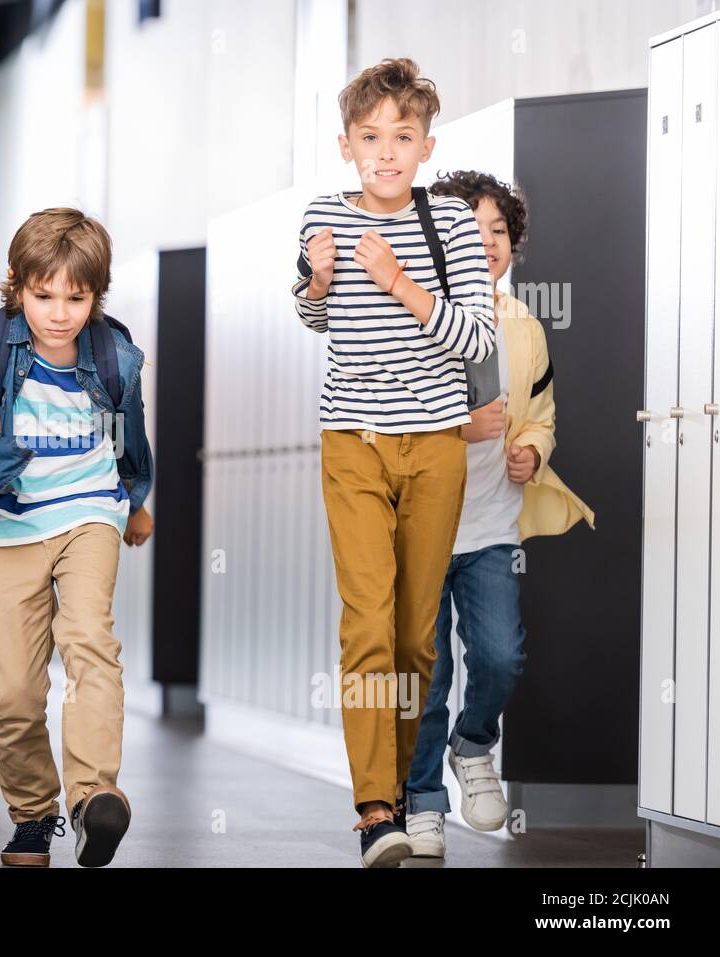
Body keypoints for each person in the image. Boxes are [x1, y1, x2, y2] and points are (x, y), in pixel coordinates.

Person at [291, 58, 496, 867]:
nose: (385, 152)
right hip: (353, 441)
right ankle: (375, 807)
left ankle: (409, 790)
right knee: (368, 623)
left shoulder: (450, 224)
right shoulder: (319, 210)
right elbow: (313, 315)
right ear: (345, 145)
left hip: (438, 443)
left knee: (417, 637)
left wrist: (397, 281)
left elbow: (478, 341)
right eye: (370, 136)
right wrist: (320, 276)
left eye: (401, 137)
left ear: (426, 146)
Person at [0, 207, 155, 867]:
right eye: (43, 294)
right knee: (14, 689)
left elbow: (128, 434)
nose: (59, 312)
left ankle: (92, 796)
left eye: (76, 298)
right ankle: (33, 815)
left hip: (90, 512)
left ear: (95, 294)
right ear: (17, 284)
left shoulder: (114, 352)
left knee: (89, 644)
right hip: (10, 519)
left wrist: (135, 499)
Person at [404, 171, 595, 858]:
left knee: (500, 654)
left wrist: (532, 452)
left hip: (488, 527)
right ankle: (421, 800)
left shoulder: (524, 325)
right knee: (425, 674)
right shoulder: (415, 315)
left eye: (500, 232)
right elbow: (391, 420)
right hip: (421, 527)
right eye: (473, 229)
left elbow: (540, 415)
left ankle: (474, 743)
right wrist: (461, 427)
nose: (488, 243)